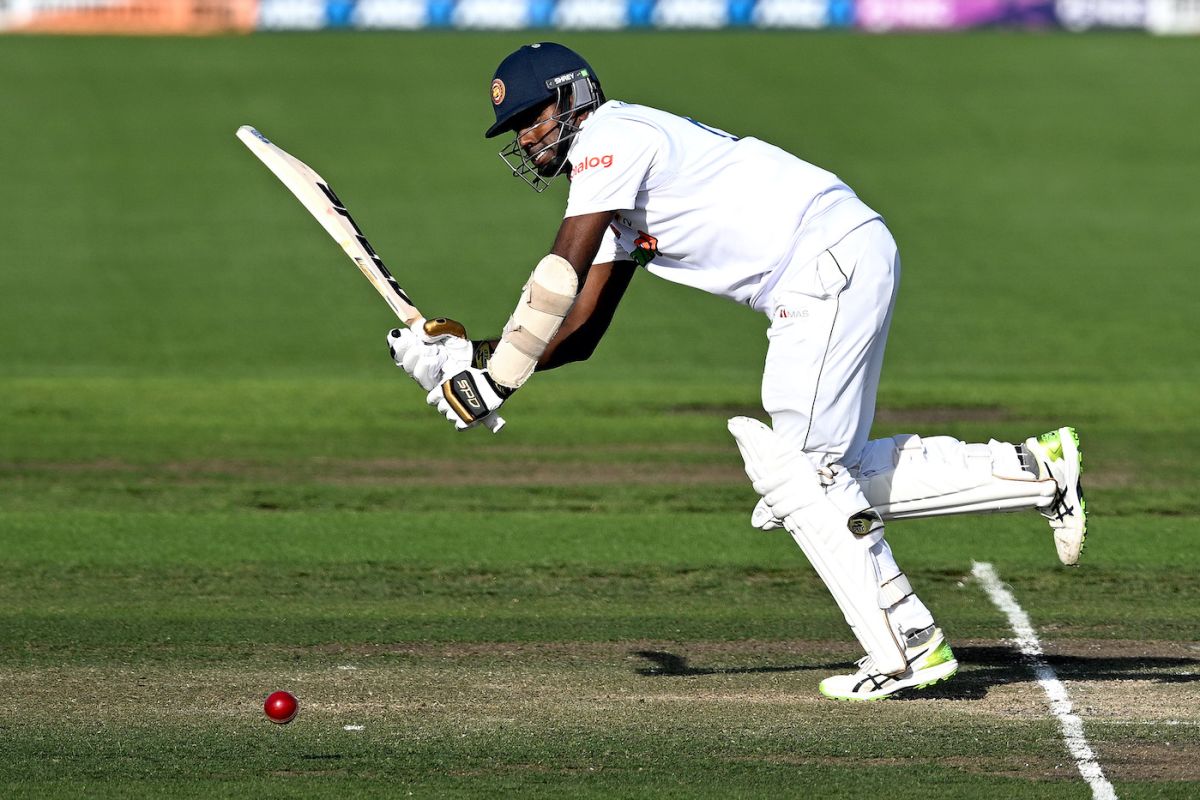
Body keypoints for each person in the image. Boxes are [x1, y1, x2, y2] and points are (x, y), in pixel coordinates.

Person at [386, 42, 1087, 701]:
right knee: (820, 481)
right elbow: (579, 331)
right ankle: (1034, 469)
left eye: (532, 119)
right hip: (838, 256)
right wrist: (463, 358)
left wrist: (497, 380)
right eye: (516, 127)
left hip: (820, 264)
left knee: (799, 477)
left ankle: (908, 645)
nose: (526, 138)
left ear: (573, 100)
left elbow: (557, 275)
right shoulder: (614, 183)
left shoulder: (610, 139)